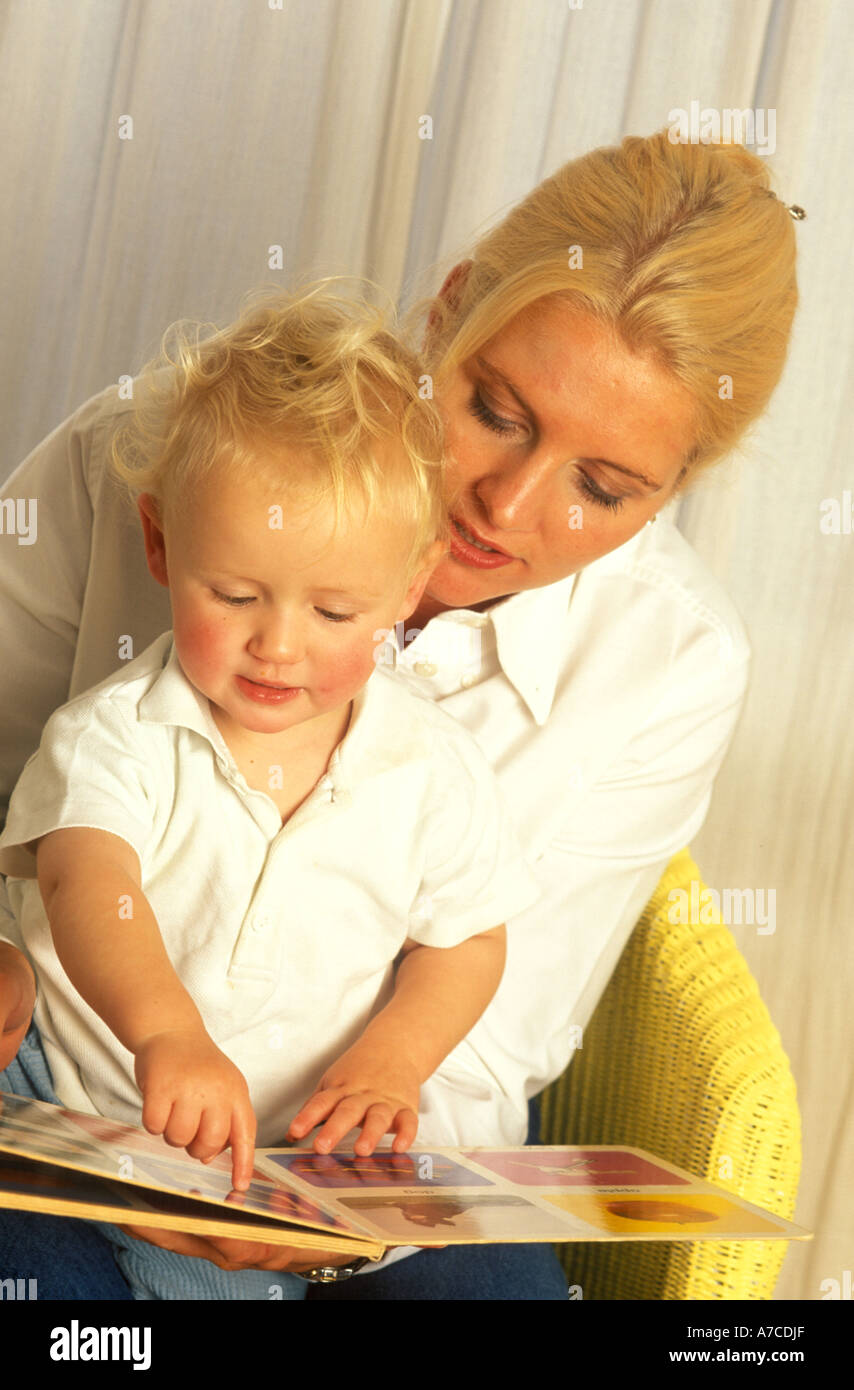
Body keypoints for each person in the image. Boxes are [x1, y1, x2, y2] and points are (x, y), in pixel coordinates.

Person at [0, 129, 799, 1300]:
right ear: (449, 312)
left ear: (672, 490)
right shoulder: (172, 445)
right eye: (496, 408)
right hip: (82, 1089)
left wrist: (342, 1172)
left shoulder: (669, 659)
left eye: (600, 486)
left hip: (379, 1150)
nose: (505, 505)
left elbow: (497, 1020)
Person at [0, 286, 546, 1295]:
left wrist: (396, 1059)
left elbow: (465, 935)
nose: (278, 644)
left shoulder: (429, 766)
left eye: (336, 610)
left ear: (407, 582)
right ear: (161, 545)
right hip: (82, 1114)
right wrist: (167, 1030)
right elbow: (88, 878)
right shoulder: (119, 734)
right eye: (235, 594)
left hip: (268, 1167)